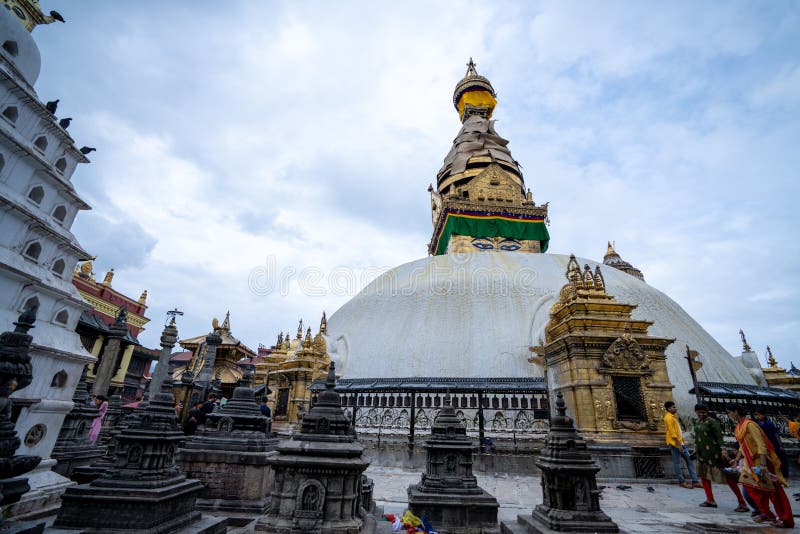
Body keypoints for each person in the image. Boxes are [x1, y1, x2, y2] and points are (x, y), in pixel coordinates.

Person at [726, 404, 793, 528]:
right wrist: (736, 459)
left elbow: (761, 444)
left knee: (775, 491)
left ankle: (785, 519)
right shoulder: (739, 427)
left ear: (736, 412)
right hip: (749, 463)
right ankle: (766, 513)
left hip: (762, 462)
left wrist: (763, 465)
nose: (729, 415)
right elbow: (742, 445)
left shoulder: (750, 425)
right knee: (749, 486)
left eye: (730, 412)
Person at [693, 404, 748, 510]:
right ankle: (710, 499)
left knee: (728, 477)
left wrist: (723, 450)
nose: (701, 414)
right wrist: (695, 448)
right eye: (699, 412)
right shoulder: (697, 422)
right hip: (702, 453)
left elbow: (719, 437)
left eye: (703, 412)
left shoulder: (712, 422)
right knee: (703, 475)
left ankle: (742, 502)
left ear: (707, 412)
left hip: (715, 453)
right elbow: (697, 437)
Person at [664, 401, 700, 489]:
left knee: (689, 460)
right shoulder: (668, 418)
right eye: (673, 407)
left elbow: (677, 431)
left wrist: (682, 441)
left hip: (680, 443)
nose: (675, 408)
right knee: (677, 463)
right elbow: (673, 433)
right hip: (675, 444)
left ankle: (695, 481)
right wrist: (679, 445)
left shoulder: (673, 417)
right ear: (668, 409)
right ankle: (682, 481)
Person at [754, 408, 789, 479]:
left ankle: (779, 475)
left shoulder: (769, 424)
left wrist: (780, 445)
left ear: (764, 415)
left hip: (773, 445)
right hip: (763, 445)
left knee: (776, 460)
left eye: (759, 415)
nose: (758, 416)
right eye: (757, 415)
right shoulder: (756, 423)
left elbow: (776, 434)